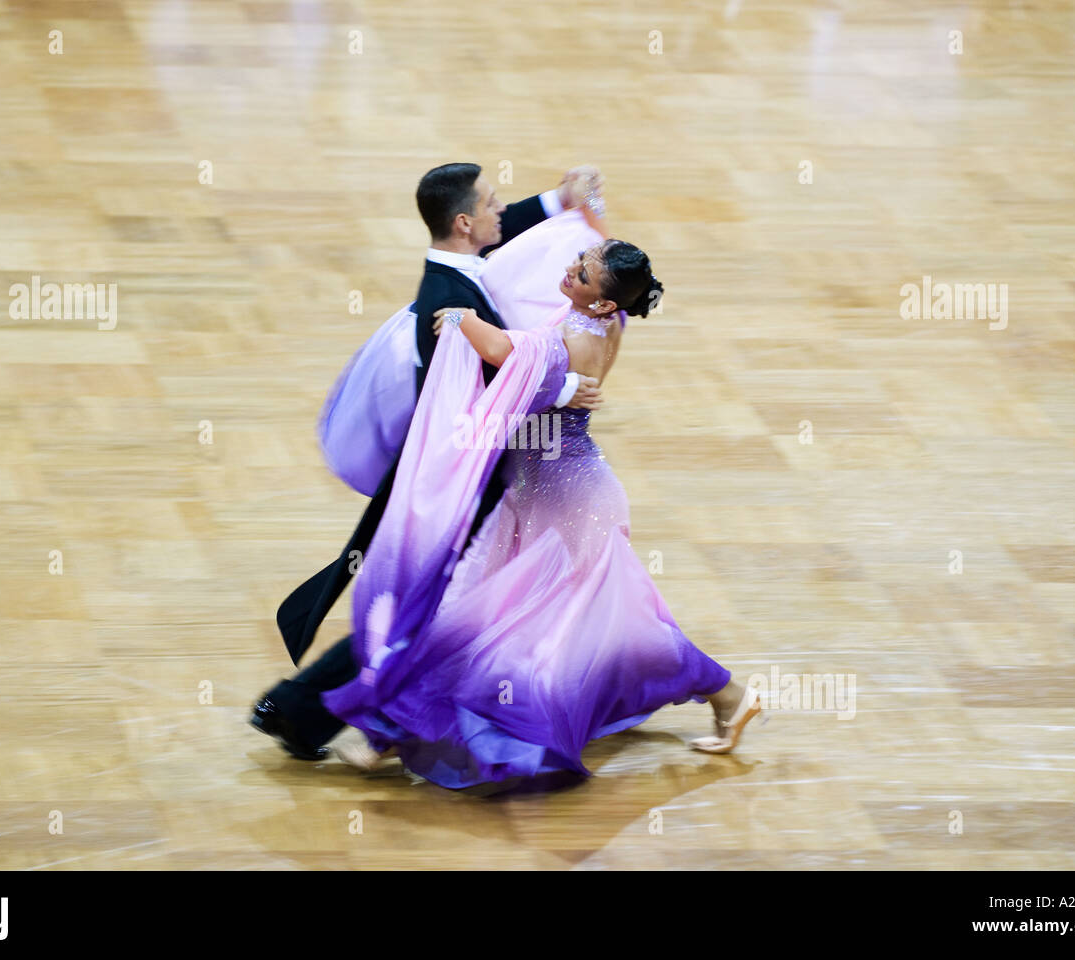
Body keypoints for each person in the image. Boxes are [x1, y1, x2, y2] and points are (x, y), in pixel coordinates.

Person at [321, 227, 761, 789]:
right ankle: (391, 732)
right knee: (498, 614)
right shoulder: (602, 320)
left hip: (566, 502)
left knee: (531, 620)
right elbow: (533, 359)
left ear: (602, 300)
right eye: (580, 260)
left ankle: (729, 694)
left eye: (581, 273)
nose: (570, 270)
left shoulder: (573, 340)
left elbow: (506, 351)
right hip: (551, 492)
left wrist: (461, 318)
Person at [251, 163, 605, 761]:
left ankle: (319, 714)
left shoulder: (457, 272)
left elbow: (503, 235)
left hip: (456, 479)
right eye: (492, 204)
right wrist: (564, 387)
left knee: (425, 606)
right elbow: (486, 387)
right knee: (422, 608)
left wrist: (556, 201)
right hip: (455, 486)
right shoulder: (448, 306)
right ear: (464, 222)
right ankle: (303, 709)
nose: (502, 211)